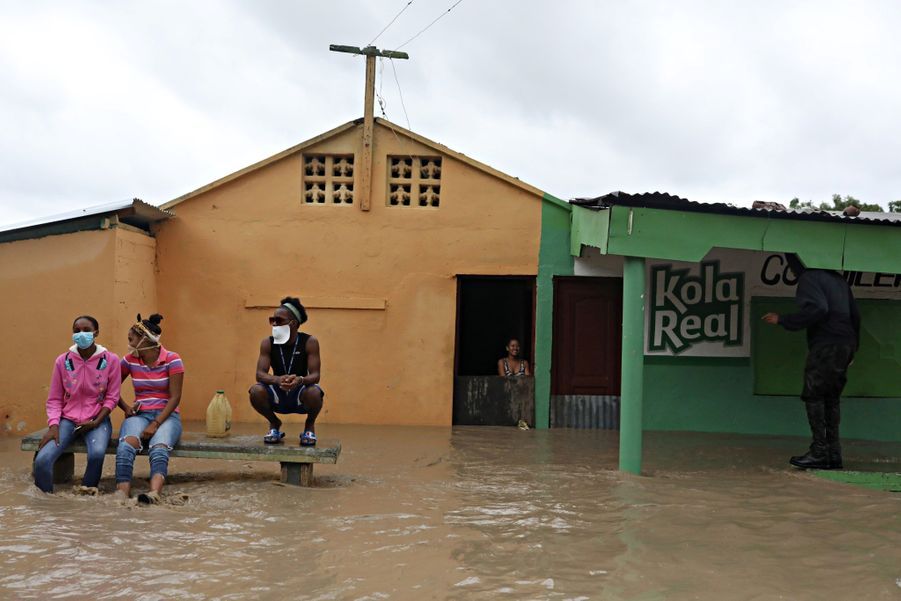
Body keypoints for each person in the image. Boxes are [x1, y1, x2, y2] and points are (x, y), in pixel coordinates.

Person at [762, 254, 860, 470]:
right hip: (845, 343)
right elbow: (855, 315)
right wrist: (852, 349)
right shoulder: (838, 279)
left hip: (826, 344)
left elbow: (818, 309)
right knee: (831, 398)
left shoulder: (809, 278)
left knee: (814, 395)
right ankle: (833, 455)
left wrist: (783, 320)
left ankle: (818, 452)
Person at [34, 316, 121, 493]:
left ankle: (86, 496)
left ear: (96, 332)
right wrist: (53, 425)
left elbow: (112, 397)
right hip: (67, 420)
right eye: (77, 330)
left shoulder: (111, 360)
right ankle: (46, 504)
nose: (81, 334)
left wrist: (96, 421)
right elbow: (54, 399)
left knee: (96, 454)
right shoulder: (63, 361)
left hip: (98, 420)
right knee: (42, 460)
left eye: (86, 330)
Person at [116, 314, 184, 504]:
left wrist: (155, 423)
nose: (129, 344)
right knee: (125, 446)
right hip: (140, 415)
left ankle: (154, 494)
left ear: (144, 340)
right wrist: (126, 407)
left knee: (159, 448)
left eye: (131, 339)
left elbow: (175, 397)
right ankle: (122, 495)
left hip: (167, 416)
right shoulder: (129, 360)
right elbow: (111, 388)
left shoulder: (173, 359)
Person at [248, 296, 323, 446]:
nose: (274, 324)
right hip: (277, 391)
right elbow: (259, 374)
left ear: (293, 323)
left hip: (300, 392)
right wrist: (277, 380)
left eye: (279, 320)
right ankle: (274, 423)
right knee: (255, 391)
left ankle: (309, 426)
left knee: (315, 392)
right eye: (272, 320)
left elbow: (315, 375)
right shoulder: (267, 343)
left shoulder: (309, 342)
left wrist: (300, 380)